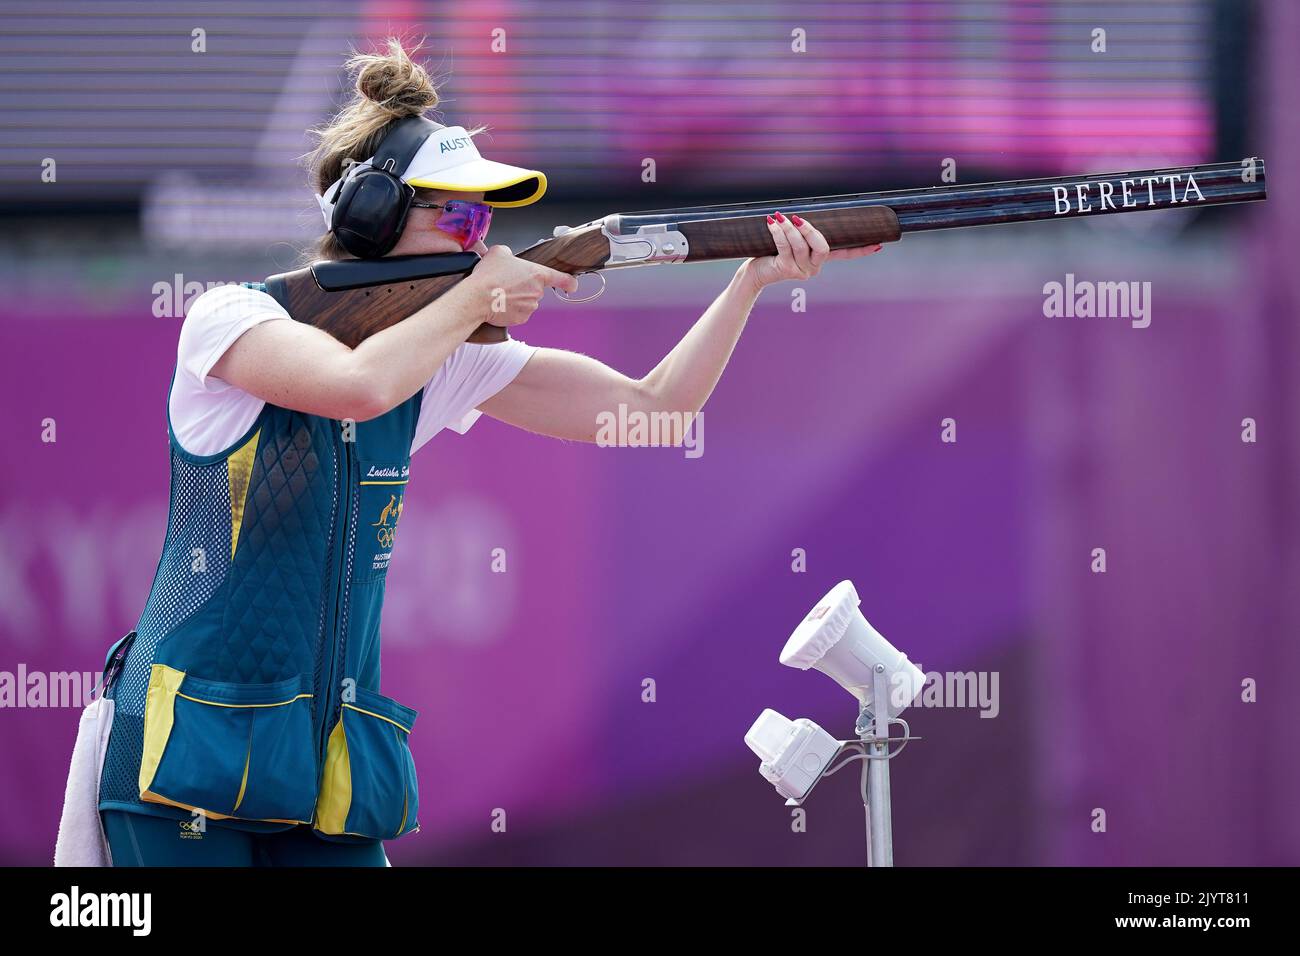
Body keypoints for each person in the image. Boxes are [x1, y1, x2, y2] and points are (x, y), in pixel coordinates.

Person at [93, 38, 884, 866]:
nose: (482, 242)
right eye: (463, 219)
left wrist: (747, 280)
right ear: (371, 215)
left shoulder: (448, 359)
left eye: (487, 223)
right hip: (181, 762)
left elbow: (655, 413)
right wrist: (476, 295)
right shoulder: (230, 318)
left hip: (319, 772)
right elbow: (357, 385)